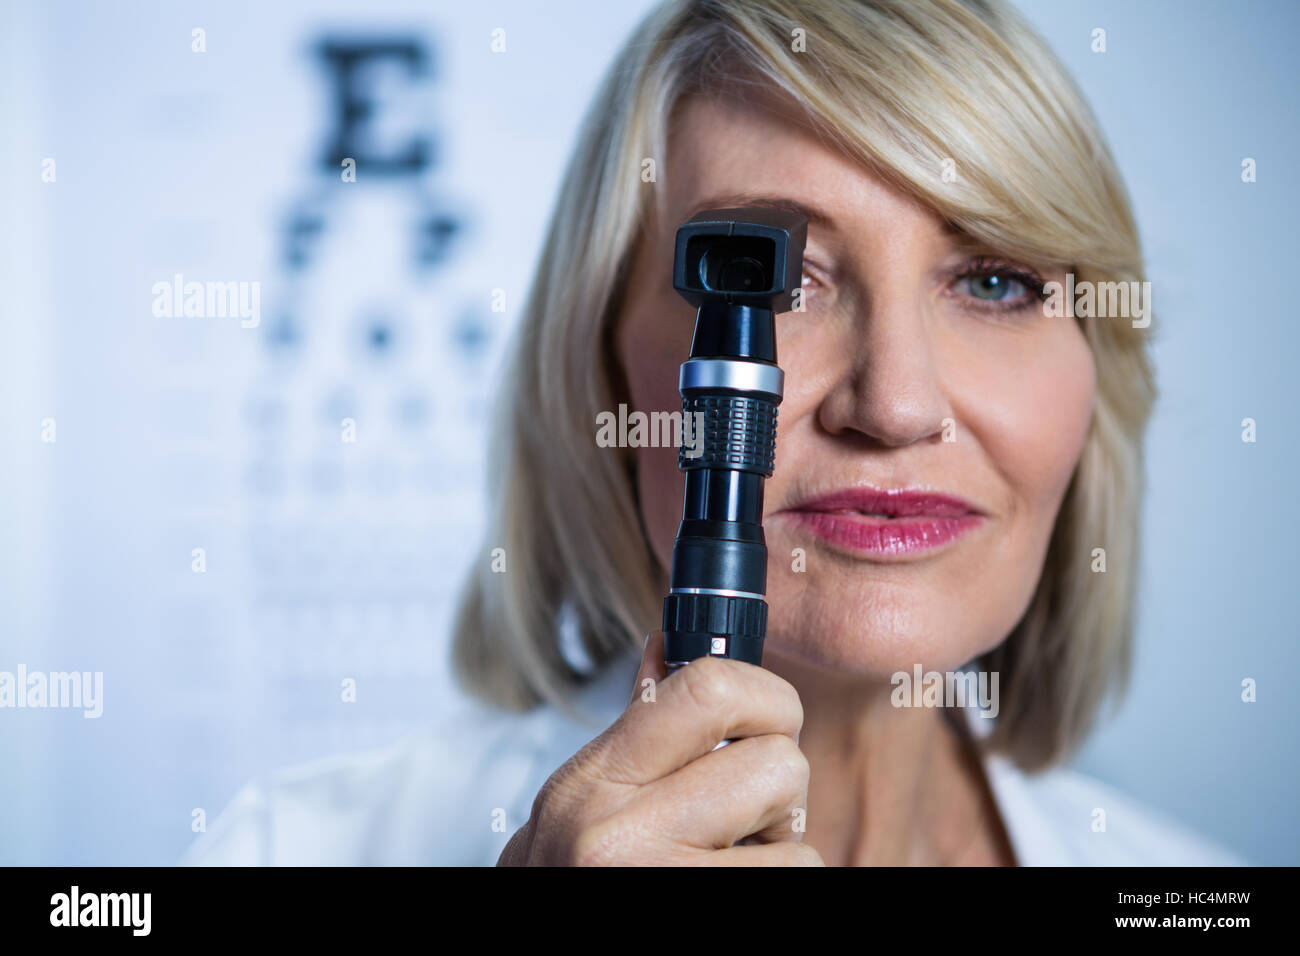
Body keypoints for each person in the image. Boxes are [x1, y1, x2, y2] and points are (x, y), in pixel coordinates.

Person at [185, 0, 1246, 866]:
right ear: (597, 358)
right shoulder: (290, 849)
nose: (896, 404)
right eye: (777, 280)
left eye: (994, 281)